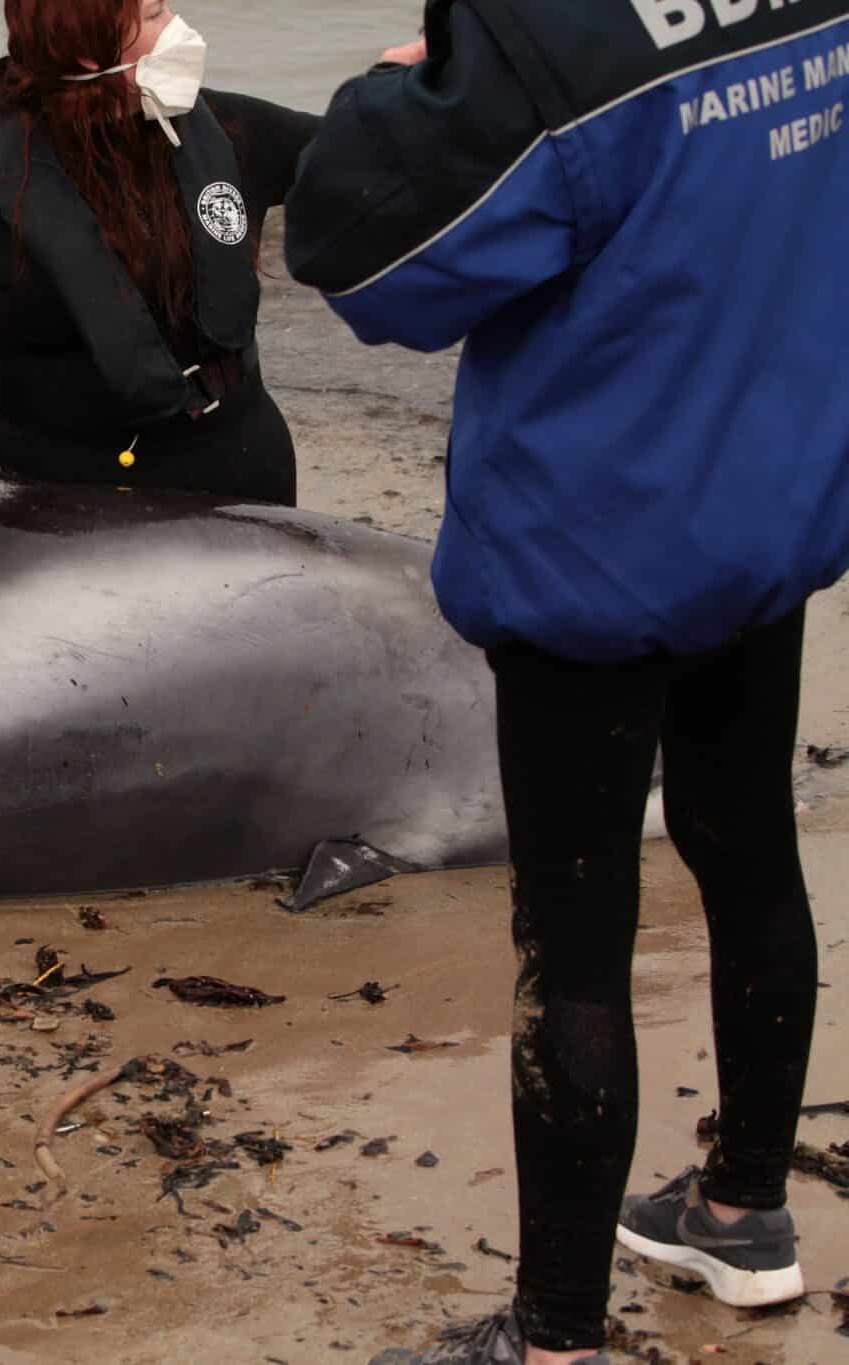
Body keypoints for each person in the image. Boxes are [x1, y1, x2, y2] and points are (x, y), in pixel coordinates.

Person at [285, 3, 849, 1362]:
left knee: (577, 941)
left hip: (598, 536)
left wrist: (390, 90)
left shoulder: (550, 25)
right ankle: (743, 1204)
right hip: (761, 495)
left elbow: (368, 253)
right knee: (747, 845)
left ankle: (554, 1338)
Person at [0, 0, 320, 506]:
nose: (180, 28)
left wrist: (409, 87)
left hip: (241, 460)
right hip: (55, 490)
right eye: (154, 15)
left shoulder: (233, 130)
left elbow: (363, 156)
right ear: (85, 57)